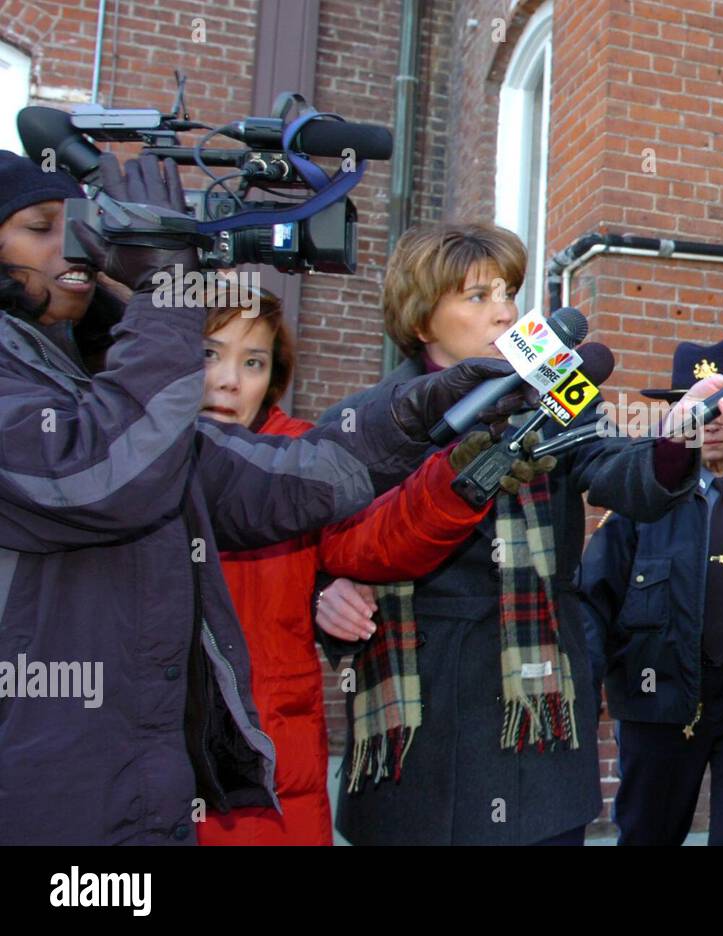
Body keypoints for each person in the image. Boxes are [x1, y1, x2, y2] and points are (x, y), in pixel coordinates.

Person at [0, 150, 519, 844]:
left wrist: (415, 414)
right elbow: (103, 471)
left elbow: (280, 479)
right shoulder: (70, 400)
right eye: (40, 226)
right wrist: (163, 290)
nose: (73, 244)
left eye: (79, 223)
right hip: (47, 788)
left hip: (140, 783)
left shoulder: (79, 382)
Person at [316, 222, 723, 845]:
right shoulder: (373, 419)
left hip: (535, 714)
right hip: (417, 722)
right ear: (423, 320)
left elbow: (616, 468)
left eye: (509, 292)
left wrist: (677, 435)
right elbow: (319, 540)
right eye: (478, 298)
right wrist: (329, 596)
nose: (505, 311)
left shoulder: (559, 388)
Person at [193, 293, 534, 844]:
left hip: (274, 781)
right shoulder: (117, 462)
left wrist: (455, 478)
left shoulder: (300, 456)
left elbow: (377, 540)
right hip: (148, 774)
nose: (229, 380)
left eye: (253, 361)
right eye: (209, 354)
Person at [581, 339, 723, 845]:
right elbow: (594, 597)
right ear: (676, 414)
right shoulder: (639, 498)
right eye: (696, 408)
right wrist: (587, 692)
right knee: (650, 830)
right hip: (661, 688)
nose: (711, 421)